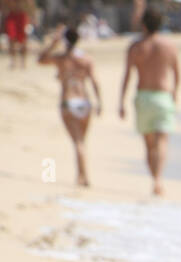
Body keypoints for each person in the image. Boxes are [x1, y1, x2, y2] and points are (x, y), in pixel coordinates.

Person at [119, 5, 178, 196]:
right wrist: (175, 94)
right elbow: (177, 74)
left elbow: (127, 76)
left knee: (149, 144)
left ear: (143, 25)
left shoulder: (135, 47)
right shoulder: (169, 46)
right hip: (163, 96)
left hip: (143, 97)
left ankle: (154, 178)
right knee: (162, 142)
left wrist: (121, 101)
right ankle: (159, 179)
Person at [38, 24, 100, 186]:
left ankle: (82, 176)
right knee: (82, 141)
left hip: (68, 101)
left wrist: (53, 43)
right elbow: (94, 82)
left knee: (77, 142)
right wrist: (99, 102)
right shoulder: (86, 59)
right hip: (84, 101)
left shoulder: (61, 58)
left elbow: (41, 59)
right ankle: (82, 175)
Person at [3, 0, 32, 68]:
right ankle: (13, 61)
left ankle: (23, 62)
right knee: (11, 40)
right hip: (12, 16)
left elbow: (29, 4)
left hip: (22, 16)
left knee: (24, 40)